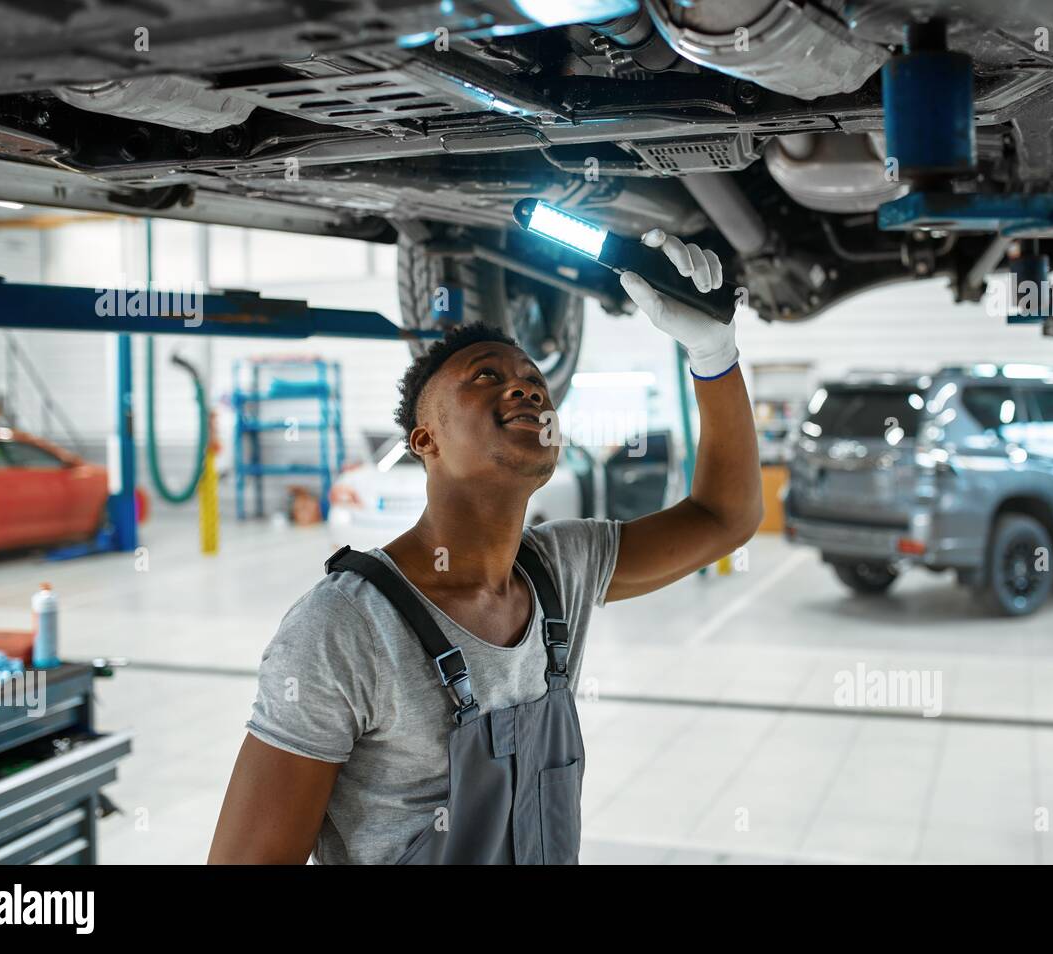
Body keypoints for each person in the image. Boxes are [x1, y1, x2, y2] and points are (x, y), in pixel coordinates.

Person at [208, 229, 762, 864]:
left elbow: (725, 516)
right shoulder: (344, 628)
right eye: (487, 376)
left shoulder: (561, 573)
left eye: (534, 381)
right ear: (425, 441)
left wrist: (715, 353)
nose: (526, 387)